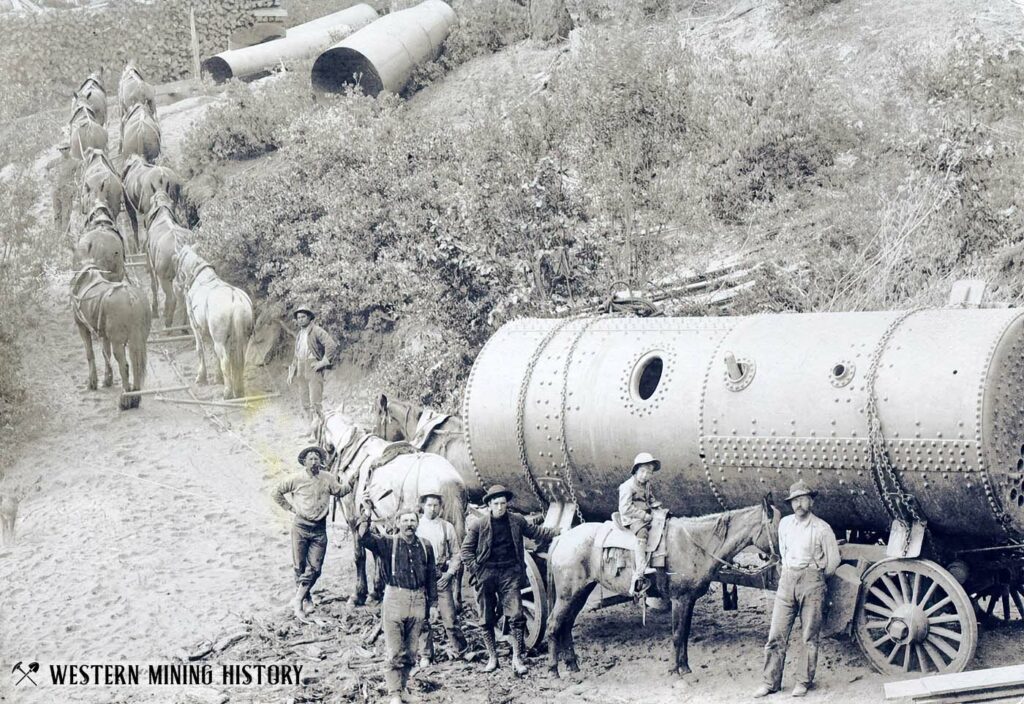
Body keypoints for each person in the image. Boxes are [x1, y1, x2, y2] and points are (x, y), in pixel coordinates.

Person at [754, 480, 840, 698]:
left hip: (812, 582)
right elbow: (783, 552)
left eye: (802, 499)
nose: (798, 504)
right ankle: (770, 682)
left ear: (811, 501)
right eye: (794, 501)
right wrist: (790, 573)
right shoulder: (784, 524)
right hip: (787, 580)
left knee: (809, 636)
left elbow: (832, 563)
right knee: (776, 634)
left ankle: (803, 681)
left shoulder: (822, 528)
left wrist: (814, 577)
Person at [460, 485, 558, 676]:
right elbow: (466, 551)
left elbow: (536, 532)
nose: (500, 507)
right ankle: (492, 657)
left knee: (517, 616)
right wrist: (477, 571)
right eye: (496, 503)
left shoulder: (516, 521)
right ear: (489, 505)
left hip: (509, 574)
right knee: (486, 618)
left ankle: (517, 658)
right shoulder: (478, 525)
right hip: (486, 574)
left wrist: (556, 532)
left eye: (503, 503)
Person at [358, 505, 436, 704]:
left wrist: (433, 604)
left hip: (418, 599)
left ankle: (403, 689)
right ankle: (394, 694)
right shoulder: (387, 543)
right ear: (398, 523)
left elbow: (431, 578)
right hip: (395, 598)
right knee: (394, 651)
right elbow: (364, 538)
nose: (409, 524)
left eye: (412, 520)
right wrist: (366, 514)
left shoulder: (426, 546)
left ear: (417, 523)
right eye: (405, 520)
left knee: (411, 651)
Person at [272, 446, 353, 620]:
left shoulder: (328, 478)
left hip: (319, 529)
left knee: (315, 568)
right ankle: (304, 599)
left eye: (317, 458)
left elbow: (340, 491)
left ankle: (298, 598)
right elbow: (276, 492)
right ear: (304, 462)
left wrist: (352, 482)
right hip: (300, 527)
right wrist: (289, 508)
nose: (314, 461)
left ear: (321, 461)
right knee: (299, 566)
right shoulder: (296, 479)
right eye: (310, 458)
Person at [415, 493, 467, 667]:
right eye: (429, 505)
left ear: (441, 507)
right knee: (423, 619)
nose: (433, 509)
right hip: (421, 578)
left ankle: (461, 650)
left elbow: (456, 554)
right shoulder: (416, 526)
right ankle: (426, 655)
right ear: (423, 506)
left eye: (436, 505)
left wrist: (450, 573)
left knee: (450, 617)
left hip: (441, 577)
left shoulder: (447, 527)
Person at [286, 303, 339, 441]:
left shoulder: (316, 331)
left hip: (313, 368)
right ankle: (309, 429)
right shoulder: (299, 335)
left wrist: (323, 362)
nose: (301, 320)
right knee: (304, 402)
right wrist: (292, 371)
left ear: (310, 318)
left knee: (315, 402)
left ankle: (317, 433)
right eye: (298, 318)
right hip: (301, 368)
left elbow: (331, 344)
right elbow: (296, 354)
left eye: (304, 317)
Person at [618, 452, 662, 596]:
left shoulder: (647, 485)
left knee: (663, 525)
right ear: (636, 471)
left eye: (648, 473)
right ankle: (641, 568)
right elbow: (625, 508)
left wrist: (657, 507)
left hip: (646, 515)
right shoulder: (627, 486)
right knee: (643, 533)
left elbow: (650, 498)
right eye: (642, 471)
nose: (645, 475)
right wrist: (644, 515)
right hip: (631, 518)